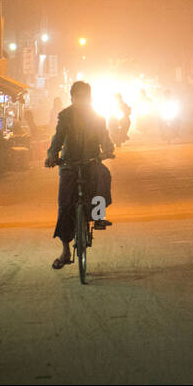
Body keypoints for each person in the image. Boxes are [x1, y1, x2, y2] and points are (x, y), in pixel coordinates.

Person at [45, 81, 116, 270]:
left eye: (85, 97)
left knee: (103, 176)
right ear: (72, 98)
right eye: (78, 97)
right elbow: (58, 138)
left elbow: (104, 137)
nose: (81, 100)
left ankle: (98, 215)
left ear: (89, 98)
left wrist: (107, 150)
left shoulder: (98, 117)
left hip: (91, 161)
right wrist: (52, 155)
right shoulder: (65, 116)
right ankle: (65, 250)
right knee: (65, 204)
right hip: (69, 164)